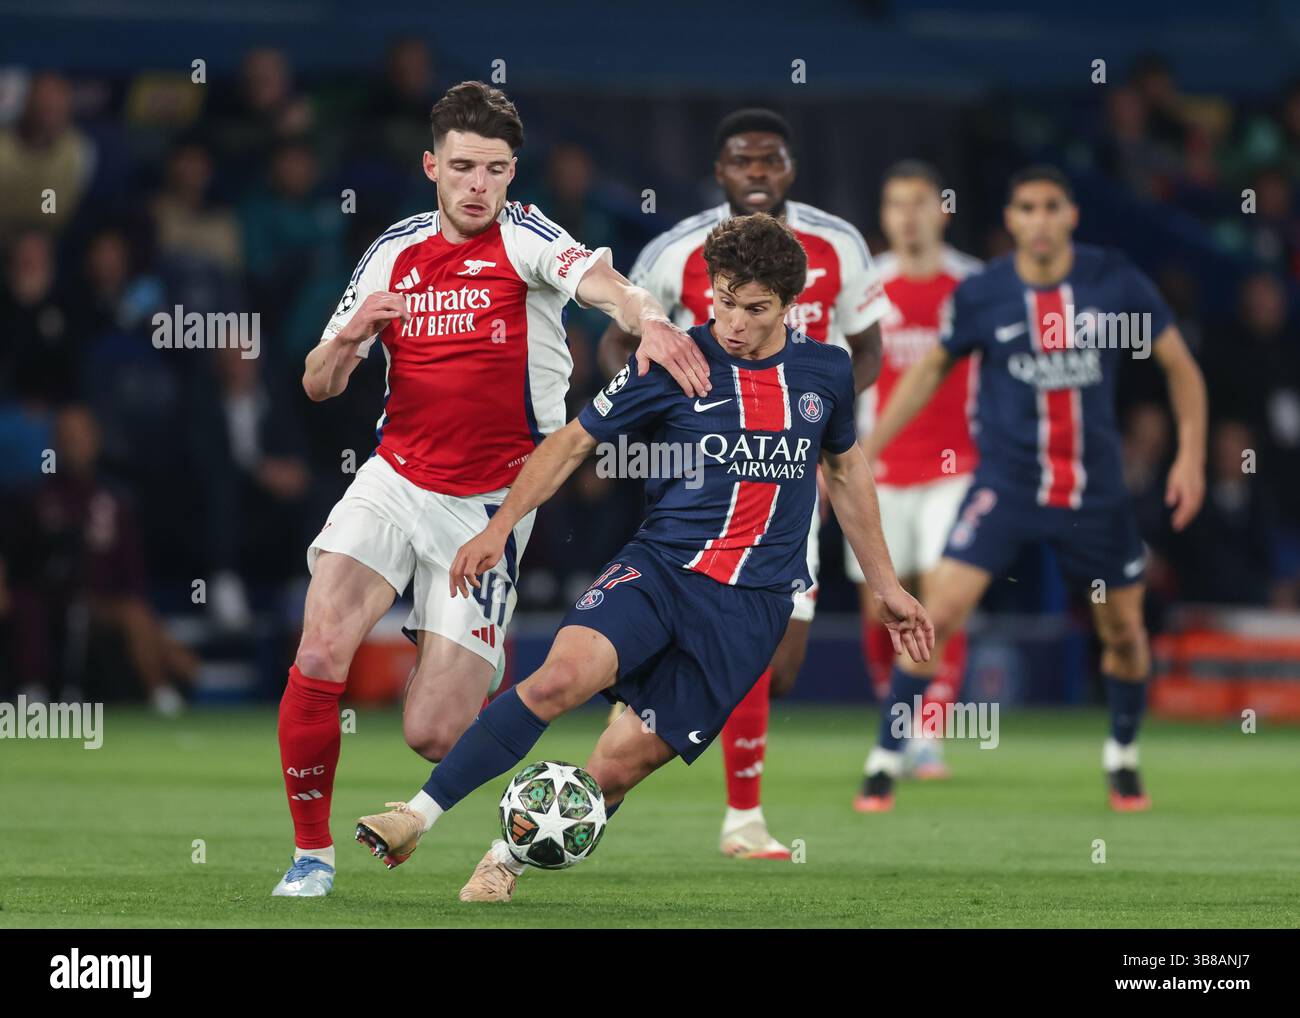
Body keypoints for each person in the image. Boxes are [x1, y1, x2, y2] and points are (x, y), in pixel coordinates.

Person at [354, 213, 931, 902]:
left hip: (750, 607)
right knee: (556, 680)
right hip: (658, 572)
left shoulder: (826, 372)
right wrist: (498, 527)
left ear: (789, 306)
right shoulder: (673, 360)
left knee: (618, 766)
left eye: (756, 309)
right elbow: (571, 443)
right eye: (724, 300)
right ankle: (415, 814)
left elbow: (845, 472)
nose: (735, 322)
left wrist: (887, 584)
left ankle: (504, 861)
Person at [272, 80, 711, 897]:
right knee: (322, 647)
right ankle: (311, 856)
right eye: (465, 167)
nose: (480, 185)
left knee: (432, 733)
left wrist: (647, 317)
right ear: (432, 165)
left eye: (497, 169)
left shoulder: (528, 239)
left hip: (491, 507)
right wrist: (354, 336)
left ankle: (498, 708)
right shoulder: (393, 251)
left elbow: (608, 286)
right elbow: (318, 383)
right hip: (393, 479)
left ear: (513, 173)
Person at [858, 166, 1206, 812]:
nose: (1039, 219)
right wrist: (865, 453)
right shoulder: (984, 294)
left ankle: (1123, 757)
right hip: (1006, 486)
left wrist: (1190, 457)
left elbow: (1180, 366)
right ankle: (884, 761)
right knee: (937, 608)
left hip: (1094, 495)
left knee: (1125, 633)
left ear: (1070, 214)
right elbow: (928, 372)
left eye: (1051, 206)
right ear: (1011, 220)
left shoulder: (1115, 280)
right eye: (1026, 208)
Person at [598, 108, 890, 858]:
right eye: (741, 161)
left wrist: (819, 434)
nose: (757, 173)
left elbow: (867, 347)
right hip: (702, 479)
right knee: (740, 641)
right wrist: (664, 419)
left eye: (771, 161)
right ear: (719, 171)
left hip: (790, 473)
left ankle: (622, 744)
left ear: (790, 170)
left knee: (779, 665)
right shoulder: (674, 250)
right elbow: (615, 342)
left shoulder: (840, 244)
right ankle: (740, 819)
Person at [851, 160, 981, 797]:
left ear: (943, 210)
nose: (907, 216)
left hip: (959, 468)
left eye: (919, 203)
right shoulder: (867, 286)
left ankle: (926, 732)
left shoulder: (974, 284)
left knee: (940, 600)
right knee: (879, 605)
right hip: (877, 470)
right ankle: (895, 716)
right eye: (895, 204)